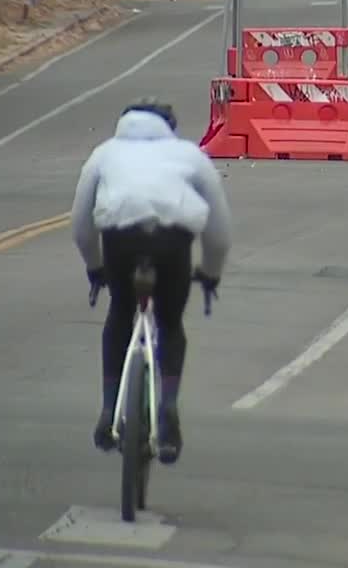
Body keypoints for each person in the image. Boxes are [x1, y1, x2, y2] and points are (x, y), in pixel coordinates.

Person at [69, 98, 233, 465]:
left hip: (119, 238)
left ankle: (109, 411)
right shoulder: (189, 156)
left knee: (121, 313)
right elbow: (218, 228)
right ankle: (169, 407)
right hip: (171, 240)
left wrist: (95, 267)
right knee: (170, 323)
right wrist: (210, 272)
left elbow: (81, 222)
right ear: (169, 128)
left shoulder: (105, 153)